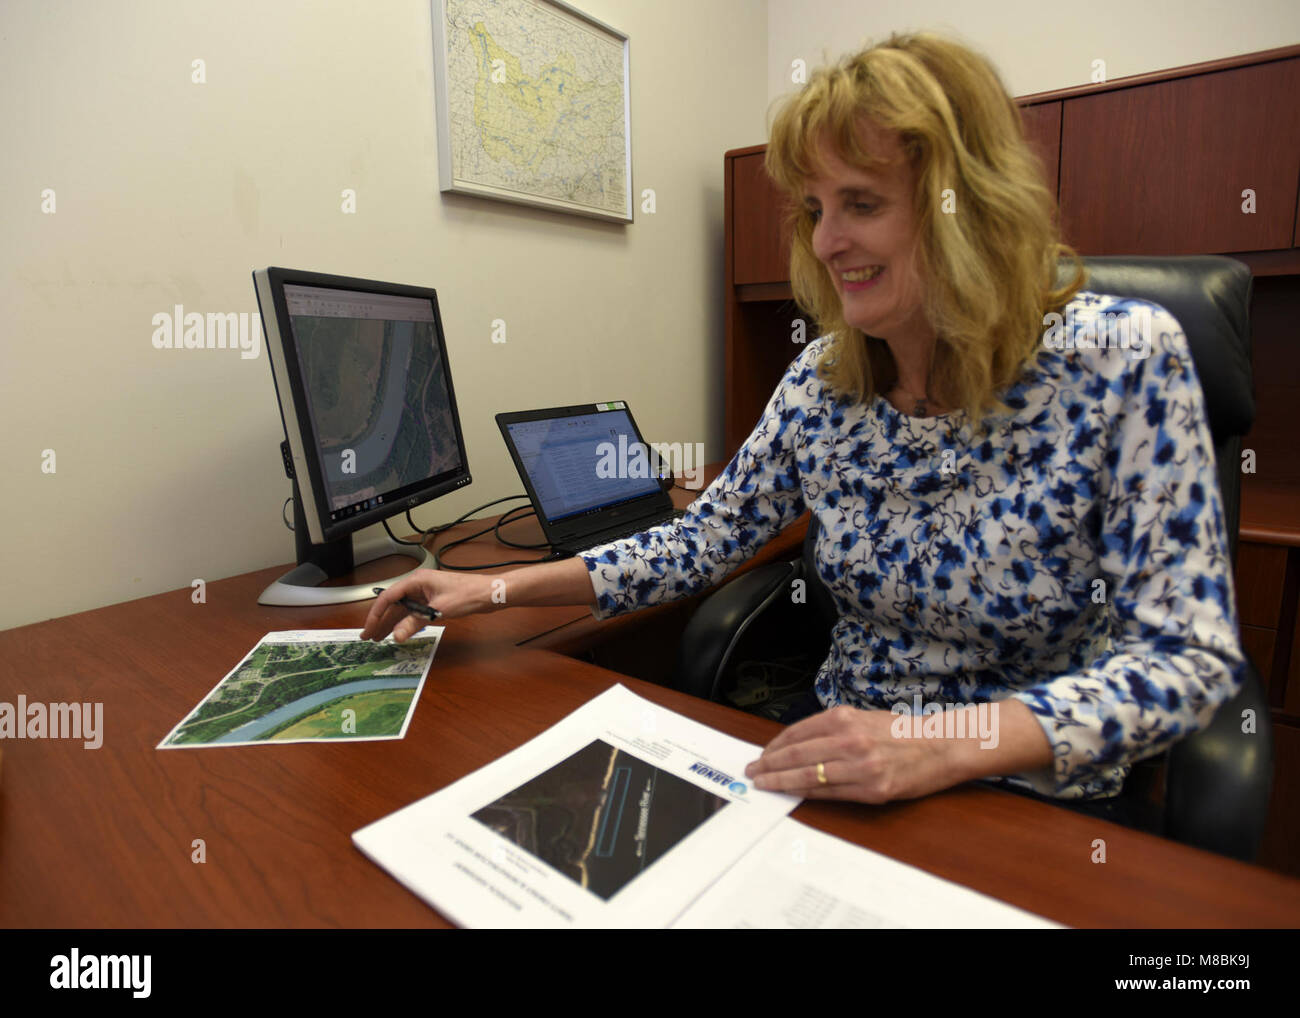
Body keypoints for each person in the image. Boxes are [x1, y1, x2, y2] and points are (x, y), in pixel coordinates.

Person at [362, 31, 1245, 811]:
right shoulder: (824, 382)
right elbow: (698, 543)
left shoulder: (1122, 358)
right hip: (838, 759)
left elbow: (1184, 660)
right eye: (816, 209)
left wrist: (937, 745)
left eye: (861, 203)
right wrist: (490, 590)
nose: (826, 243)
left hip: (1029, 790)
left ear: (967, 207)